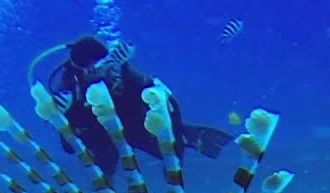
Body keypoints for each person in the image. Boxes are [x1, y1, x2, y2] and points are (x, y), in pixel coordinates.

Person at [27, 35, 235, 176]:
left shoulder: (119, 73)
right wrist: (65, 115)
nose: (93, 73)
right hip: (101, 139)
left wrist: (175, 138)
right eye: (86, 68)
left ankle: (195, 140)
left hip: (136, 127)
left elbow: (162, 98)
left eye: (97, 66)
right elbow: (68, 147)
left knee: (172, 141)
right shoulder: (67, 85)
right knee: (104, 172)